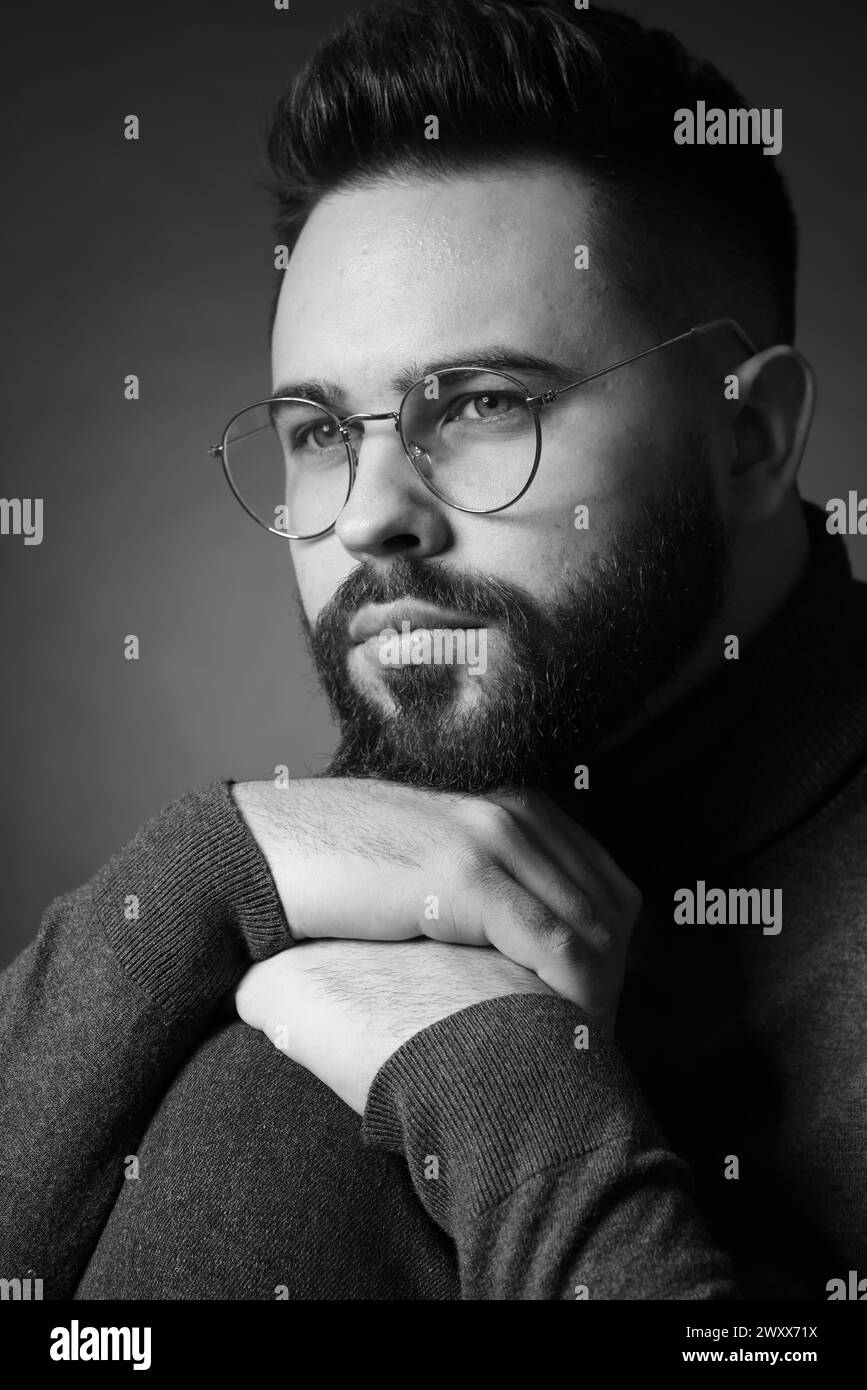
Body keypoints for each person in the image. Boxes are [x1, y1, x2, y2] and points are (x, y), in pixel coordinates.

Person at [2, 0, 865, 1301]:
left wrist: (505, 1095)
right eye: (319, 431)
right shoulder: (360, 874)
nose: (372, 517)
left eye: (480, 405)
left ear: (748, 438)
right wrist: (209, 868)